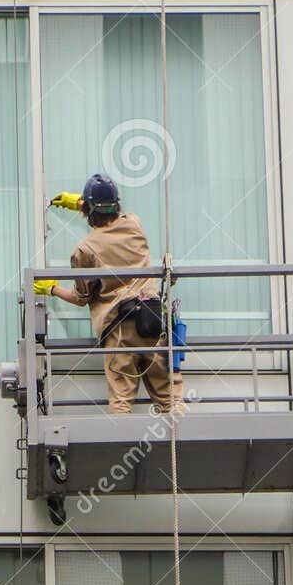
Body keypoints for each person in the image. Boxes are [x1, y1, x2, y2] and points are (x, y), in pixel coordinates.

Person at [35, 174, 182, 415]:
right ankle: (180, 449)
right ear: (117, 205)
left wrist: (52, 288)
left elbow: (80, 298)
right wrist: (80, 203)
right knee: (169, 399)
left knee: (122, 399)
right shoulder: (134, 225)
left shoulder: (84, 250)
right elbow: (118, 217)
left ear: (89, 210)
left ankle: (121, 450)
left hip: (120, 329)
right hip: (154, 323)